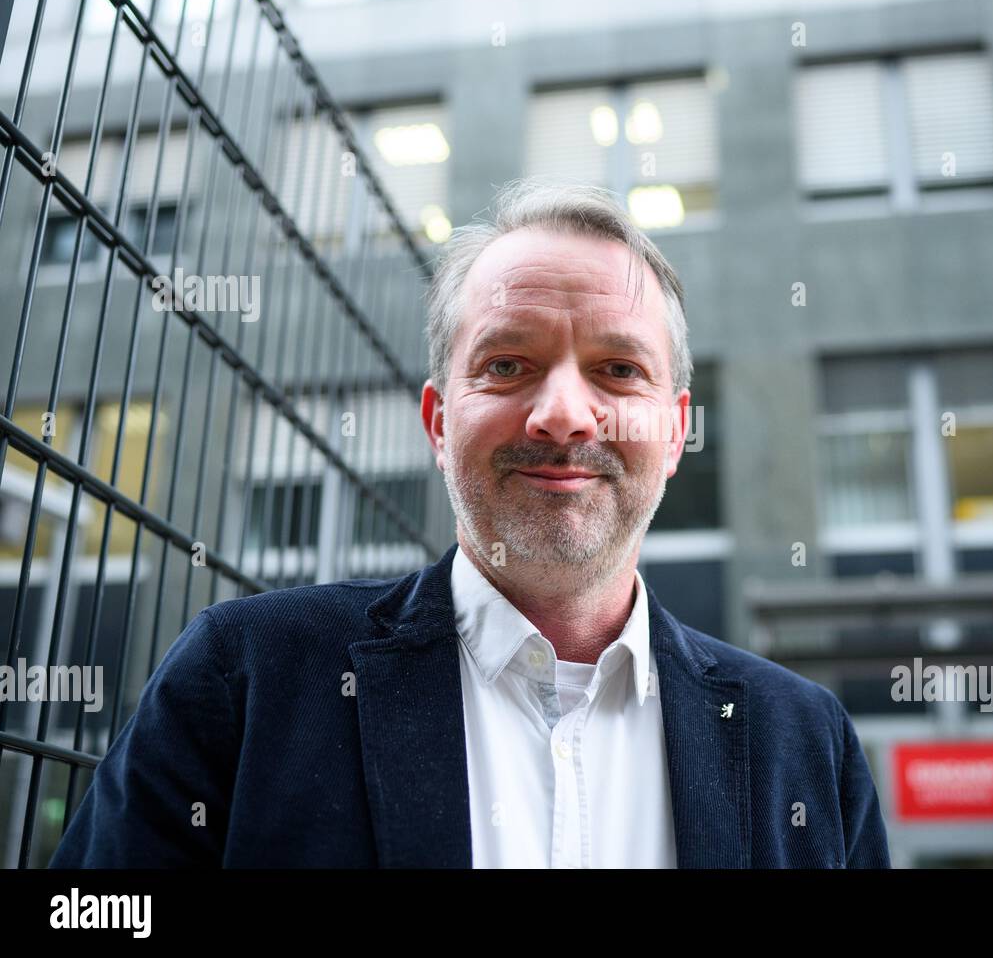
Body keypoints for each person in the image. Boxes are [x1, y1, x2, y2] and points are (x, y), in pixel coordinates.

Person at [49, 178, 889, 868]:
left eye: (618, 369)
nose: (563, 416)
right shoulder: (246, 681)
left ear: (675, 431)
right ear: (440, 422)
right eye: (507, 364)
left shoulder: (805, 743)